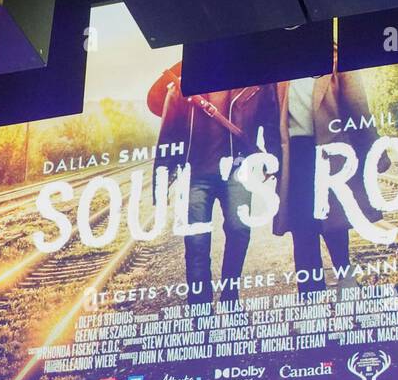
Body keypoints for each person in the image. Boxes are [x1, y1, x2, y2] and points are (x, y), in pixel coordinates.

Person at [149, 62, 280, 304]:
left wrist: (274, 161)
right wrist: (162, 180)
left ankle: (230, 296)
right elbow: (167, 135)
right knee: (196, 242)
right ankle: (200, 306)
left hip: (238, 170)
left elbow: (271, 122)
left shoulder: (255, 83)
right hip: (195, 173)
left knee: (240, 231)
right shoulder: (179, 87)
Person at [274, 46, 384, 296]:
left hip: (330, 152)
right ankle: (310, 293)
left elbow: (357, 107)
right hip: (295, 156)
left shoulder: (336, 59)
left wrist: (373, 150)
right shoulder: (279, 63)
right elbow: (270, 115)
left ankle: (346, 279)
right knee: (302, 227)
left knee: (333, 221)